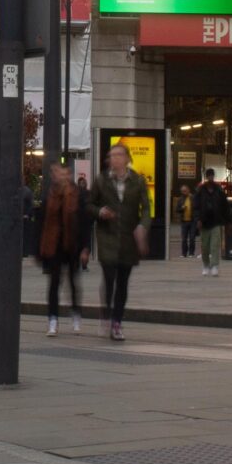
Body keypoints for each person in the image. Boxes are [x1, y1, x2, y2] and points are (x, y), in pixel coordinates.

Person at [90, 144, 148, 342]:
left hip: (128, 239)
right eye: (111, 155)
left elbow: (147, 209)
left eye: (118, 155)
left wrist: (142, 226)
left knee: (122, 282)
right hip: (107, 237)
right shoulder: (101, 180)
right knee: (109, 278)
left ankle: (117, 322)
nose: (114, 159)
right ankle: (106, 313)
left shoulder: (138, 181)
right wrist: (100, 212)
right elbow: (89, 204)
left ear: (126, 158)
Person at [38, 163, 87, 336]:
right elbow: (42, 223)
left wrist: (84, 248)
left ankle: (75, 316)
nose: (61, 176)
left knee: (73, 283)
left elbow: (83, 222)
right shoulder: (49, 196)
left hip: (71, 245)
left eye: (64, 173)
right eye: (58, 173)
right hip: (54, 245)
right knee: (54, 283)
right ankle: (53, 320)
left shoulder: (77, 195)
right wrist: (39, 251)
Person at [192, 169, 228, 277]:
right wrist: (198, 219)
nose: (211, 178)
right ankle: (206, 265)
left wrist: (227, 220)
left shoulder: (219, 190)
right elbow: (196, 206)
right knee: (205, 246)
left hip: (216, 222)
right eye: (209, 176)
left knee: (215, 245)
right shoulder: (200, 190)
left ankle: (215, 266)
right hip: (204, 222)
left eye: (212, 176)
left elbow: (225, 205)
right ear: (206, 177)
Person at [176, 181, 198, 258]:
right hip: (184, 221)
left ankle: (191, 253)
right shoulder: (180, 199)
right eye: (182, 191)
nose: (184, 192)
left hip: (192, 221)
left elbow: (197, 208)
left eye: (185, 191)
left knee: (192, 238)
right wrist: (181, 208)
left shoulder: (193, 198)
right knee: (184, 238)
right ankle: (184, 253)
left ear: (188, 190)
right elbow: (177, 210)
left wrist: (197, 219)